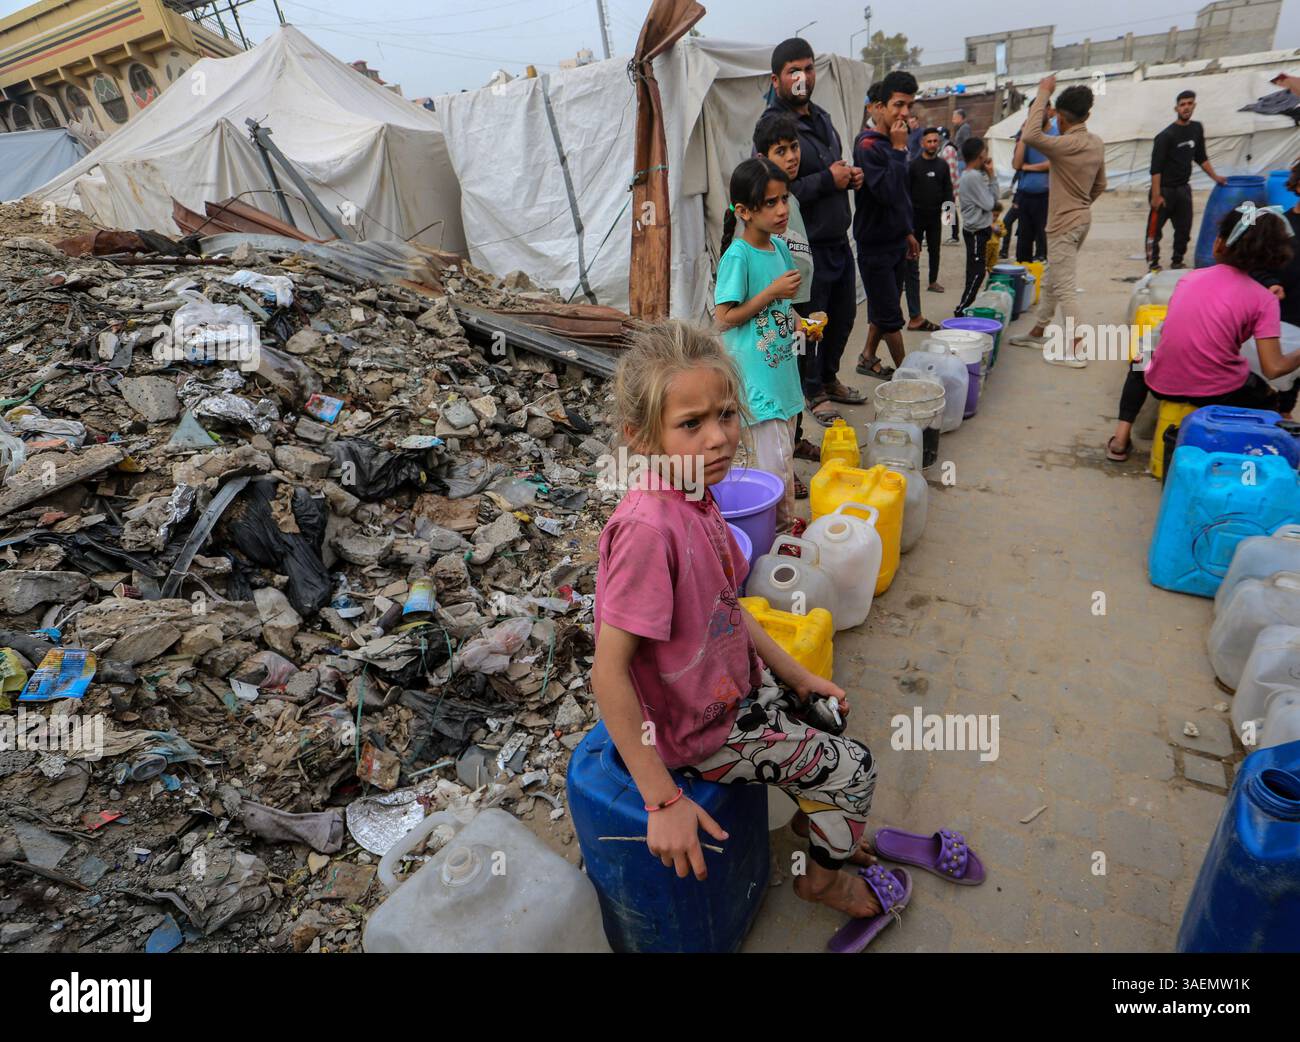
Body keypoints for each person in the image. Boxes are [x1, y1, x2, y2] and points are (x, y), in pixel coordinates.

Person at [592, 321, 904, 948]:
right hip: (697, 729)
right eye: (691, 424)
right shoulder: (649, 532)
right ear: (640, 439)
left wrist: (798, 675)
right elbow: (608, 670)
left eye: (727, 414)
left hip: (732, 689)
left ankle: (820, 829)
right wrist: (661, 801)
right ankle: (823, 883)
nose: (719, 439)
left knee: (826, 714)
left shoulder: (698, 495)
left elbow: (728, 606)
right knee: (856, 769)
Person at [1106, 203, 1298, 462]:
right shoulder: (1263, 300)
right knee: (1268, 398)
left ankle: (1120, 439)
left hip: (1163, 383)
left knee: (1141, 360)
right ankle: (1246, 454)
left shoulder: (1189, 279)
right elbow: (1274, 367)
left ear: (1219, 242)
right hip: (1217, 391)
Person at [762, 38, 866, 428]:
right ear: (777, 79)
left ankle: (829, 377)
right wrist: (828, 179)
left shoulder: (821, 118)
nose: (803, 77)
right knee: (811, 325)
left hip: (839, 237)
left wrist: (848, 177)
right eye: (793, 70)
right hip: (806, 247)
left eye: (808, 68)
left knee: (843, 316)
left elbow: (832, 171)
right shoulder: (772, 127)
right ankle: (811, 390)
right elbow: (776, 192)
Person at [715, 157, 804, 531]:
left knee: (785, 455)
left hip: (782, 372)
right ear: (744, 212)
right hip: (756, 379)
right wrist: (770, 293)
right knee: (775, 465)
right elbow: (724, 317)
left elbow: (784, 307)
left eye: (784, 198)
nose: (782, 209)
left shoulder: (779, 249)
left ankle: (776, 530)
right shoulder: (738, 256)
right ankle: (779, 532)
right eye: (771, 203)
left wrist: (802, 323)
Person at [1008, 76, 1106, 368]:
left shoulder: (1065, 144)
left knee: (1064, 286)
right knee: (1053, 276)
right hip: (1081, 219)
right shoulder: (1095, 142)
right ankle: (1039, 330)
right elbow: (1101, 185)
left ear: (1060, 118)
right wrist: (1081, 206)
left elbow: (1030, 136)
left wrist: (1042, 93)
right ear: (1087, 115)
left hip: (1064, 223)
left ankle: (1077, 350)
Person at [753, 111, 818, 485]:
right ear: (763, 157)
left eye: (794, 147)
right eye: (782, 150)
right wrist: (785, 305)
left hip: (799, 304)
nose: (792, 156)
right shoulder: (767, 206)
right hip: (779, 308)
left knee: (798, 375)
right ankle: (782, 466)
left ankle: (794, 441)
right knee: (781, 379)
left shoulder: (790, 198)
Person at [852, 69, 924, 378]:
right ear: (879, 106)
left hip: (895, 239)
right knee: (892, 317)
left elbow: (902, 198)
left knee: (885, 308)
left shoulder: (893, 142)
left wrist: (907, 231)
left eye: (909, 105)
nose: (904, 113)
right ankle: (906, 378)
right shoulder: (869, 146)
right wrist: (898, 150)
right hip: (876, 244)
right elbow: (886, 192)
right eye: (898, 105)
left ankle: (868, 356)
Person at [1146, 90, 1227, 271]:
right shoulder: (1165, 136)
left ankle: (1177, 261)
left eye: (1189, 104)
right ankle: (1153, 264)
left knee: (1183, 230)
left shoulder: (1196, 128)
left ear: (1194, 106)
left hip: (1183, 189)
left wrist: (1216, 177)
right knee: (1154, 231)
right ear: (1176, 108)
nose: (1186, 108)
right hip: (1164, 190)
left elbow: (1201, 157)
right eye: (1182, 105)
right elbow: (1156, 169)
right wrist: (1156, 196)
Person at [906, 127, 953, 315]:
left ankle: (933, 281)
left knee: (935, 249)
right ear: (922, 143)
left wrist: (948, 216)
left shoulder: (943, 165)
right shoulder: (914, 165)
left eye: (935, 141)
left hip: (934, 216)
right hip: (916, 216)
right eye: (929, 141)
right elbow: (907, 193)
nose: (932, 144)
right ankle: (908, 281)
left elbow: (948, 191)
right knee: (912, 250)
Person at [954, 136, 998, 316]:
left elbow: (993, 200)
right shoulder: (972, 177)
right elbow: (990, 204)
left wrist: (991, 177)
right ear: (980, 155)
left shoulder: (976, 175)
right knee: (977, 273)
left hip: (980, 229)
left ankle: (965, 307)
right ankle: (961, 309)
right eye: (985, 151)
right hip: (976, 231)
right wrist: (992, 176)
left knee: (974, 271)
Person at [1011, 100, 1056, 262]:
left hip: (1047, 196)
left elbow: (1054, 164)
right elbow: (1016, 164)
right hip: (1025, 196)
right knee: (1023, 244)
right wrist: (1023, 136)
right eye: (1032, 113)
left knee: (1043, 240)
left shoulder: (1057, 134)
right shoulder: (1027, 135)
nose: (1034, 117)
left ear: (1049, 111)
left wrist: (1029, 167)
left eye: (1039, 112)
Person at [941, 132, 962, 245]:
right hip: (947, 186)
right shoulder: (945, 148)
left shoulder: (948, 150)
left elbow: (951, 171)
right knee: (948, 210)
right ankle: (953, 235)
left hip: (947, 186)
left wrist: (949, 188)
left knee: (949, 209)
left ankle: (954, 236)